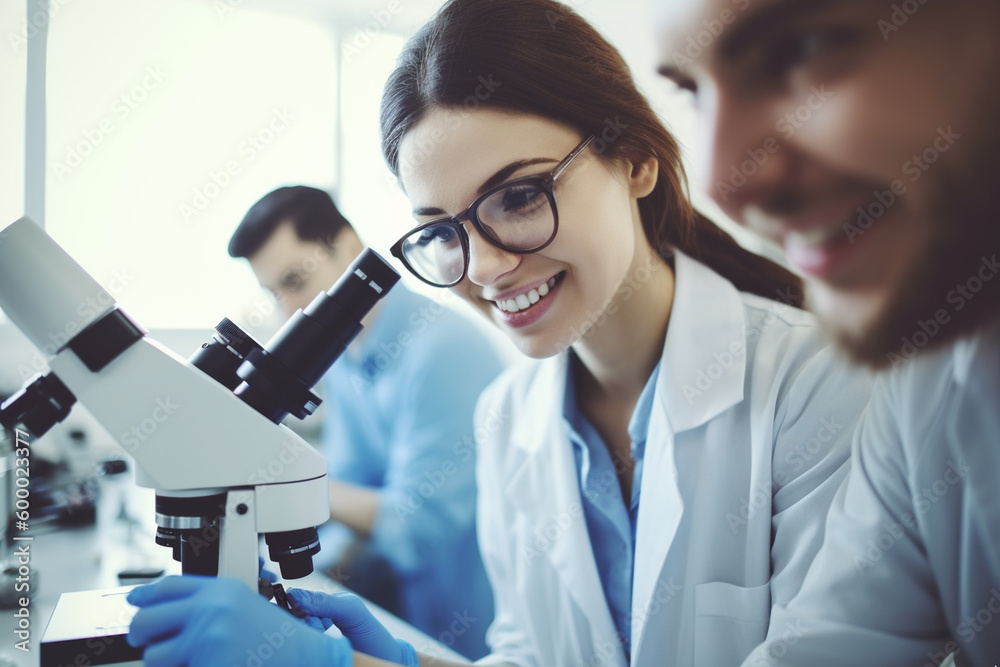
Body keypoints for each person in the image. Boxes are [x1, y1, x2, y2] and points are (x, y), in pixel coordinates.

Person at [126, 2, 872, 665]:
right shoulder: (510, 419)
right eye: (444, 231)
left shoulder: (818, 387)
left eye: (519, 196)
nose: (484, 266)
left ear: (637, 158)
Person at [653, 1, 1000, 665]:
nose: (724, 182)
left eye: (803, 49)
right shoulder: (925, 375)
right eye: (693, 90)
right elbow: (833, 645)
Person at [227, 186, 503, 659]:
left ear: (350, 248)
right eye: (274, 293)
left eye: (295, 280)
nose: (287, 311)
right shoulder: (347, 360)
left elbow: (416, 530)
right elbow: (350, 491)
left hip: (468, 638)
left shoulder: (442, 350)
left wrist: (280, 478)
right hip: (404, 621)